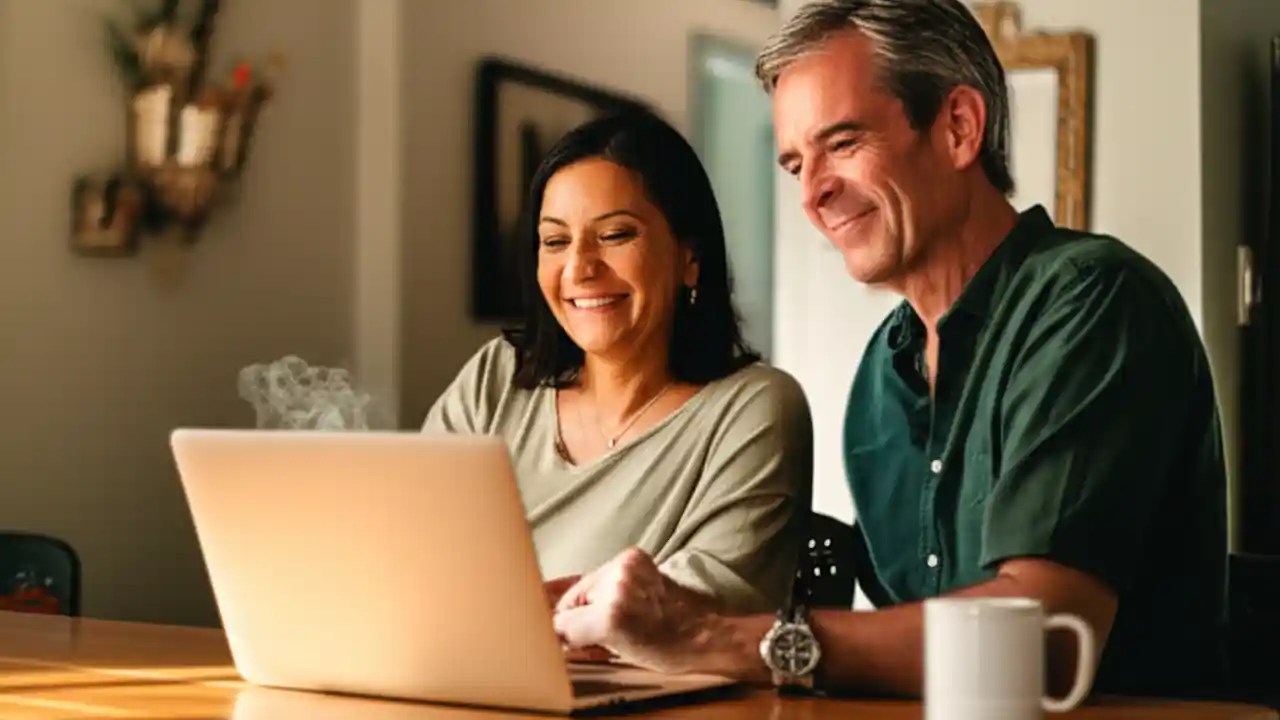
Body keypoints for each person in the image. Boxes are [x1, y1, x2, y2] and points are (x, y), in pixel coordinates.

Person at [552, 0, 1228, 700]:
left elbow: (1046, 645)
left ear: (959, 128)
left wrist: (709, 635)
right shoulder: (885, 368)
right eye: (794, 164)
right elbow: (913, 620)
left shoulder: (1092, 302)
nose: (814, 192)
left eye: (842, 143)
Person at [423, 111, 813, 614]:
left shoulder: (754, 408)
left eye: (615, 235)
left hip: (652, 692)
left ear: (689, 259)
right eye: (556, 242)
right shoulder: (496, 380)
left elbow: (707, 604)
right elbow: (414, 551)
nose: (580, 269)